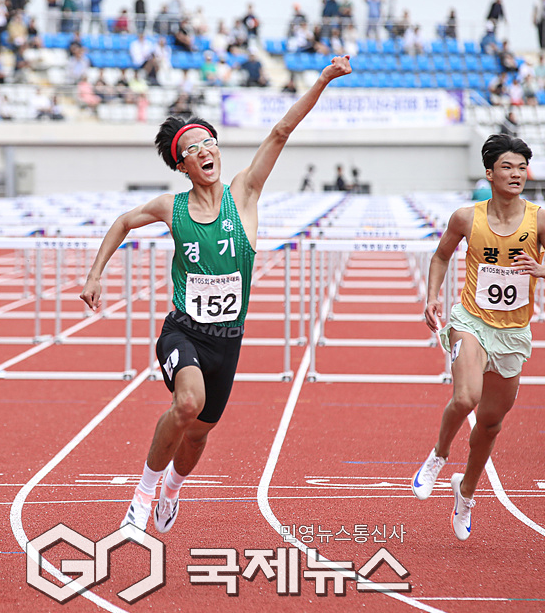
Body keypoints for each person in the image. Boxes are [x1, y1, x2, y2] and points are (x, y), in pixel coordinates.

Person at [80, 56, 352, 534]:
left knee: (199, 435)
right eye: (193, 147)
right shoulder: (172, 207)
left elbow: (280, 133)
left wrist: (324, 79)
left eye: (210, 142)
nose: (205, 150)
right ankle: (142, 497)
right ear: (182, 164)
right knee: (186, 404)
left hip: (228, 340)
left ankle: (171, 490)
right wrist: (95, 274)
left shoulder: (244, 194)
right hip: (183, 330)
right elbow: (123, 222)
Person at [412, 134, 545, 540]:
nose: (516, 174)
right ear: (489, 173)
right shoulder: (467, 218)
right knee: (466, 397)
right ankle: (438, 455)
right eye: (508, 167)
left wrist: (543, 271)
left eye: (522, 167)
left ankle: (465, 492)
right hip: (471, 320)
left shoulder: (541, 220)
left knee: (489, 424)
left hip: (514, 333)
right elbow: (440, 256)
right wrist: (432, 298)